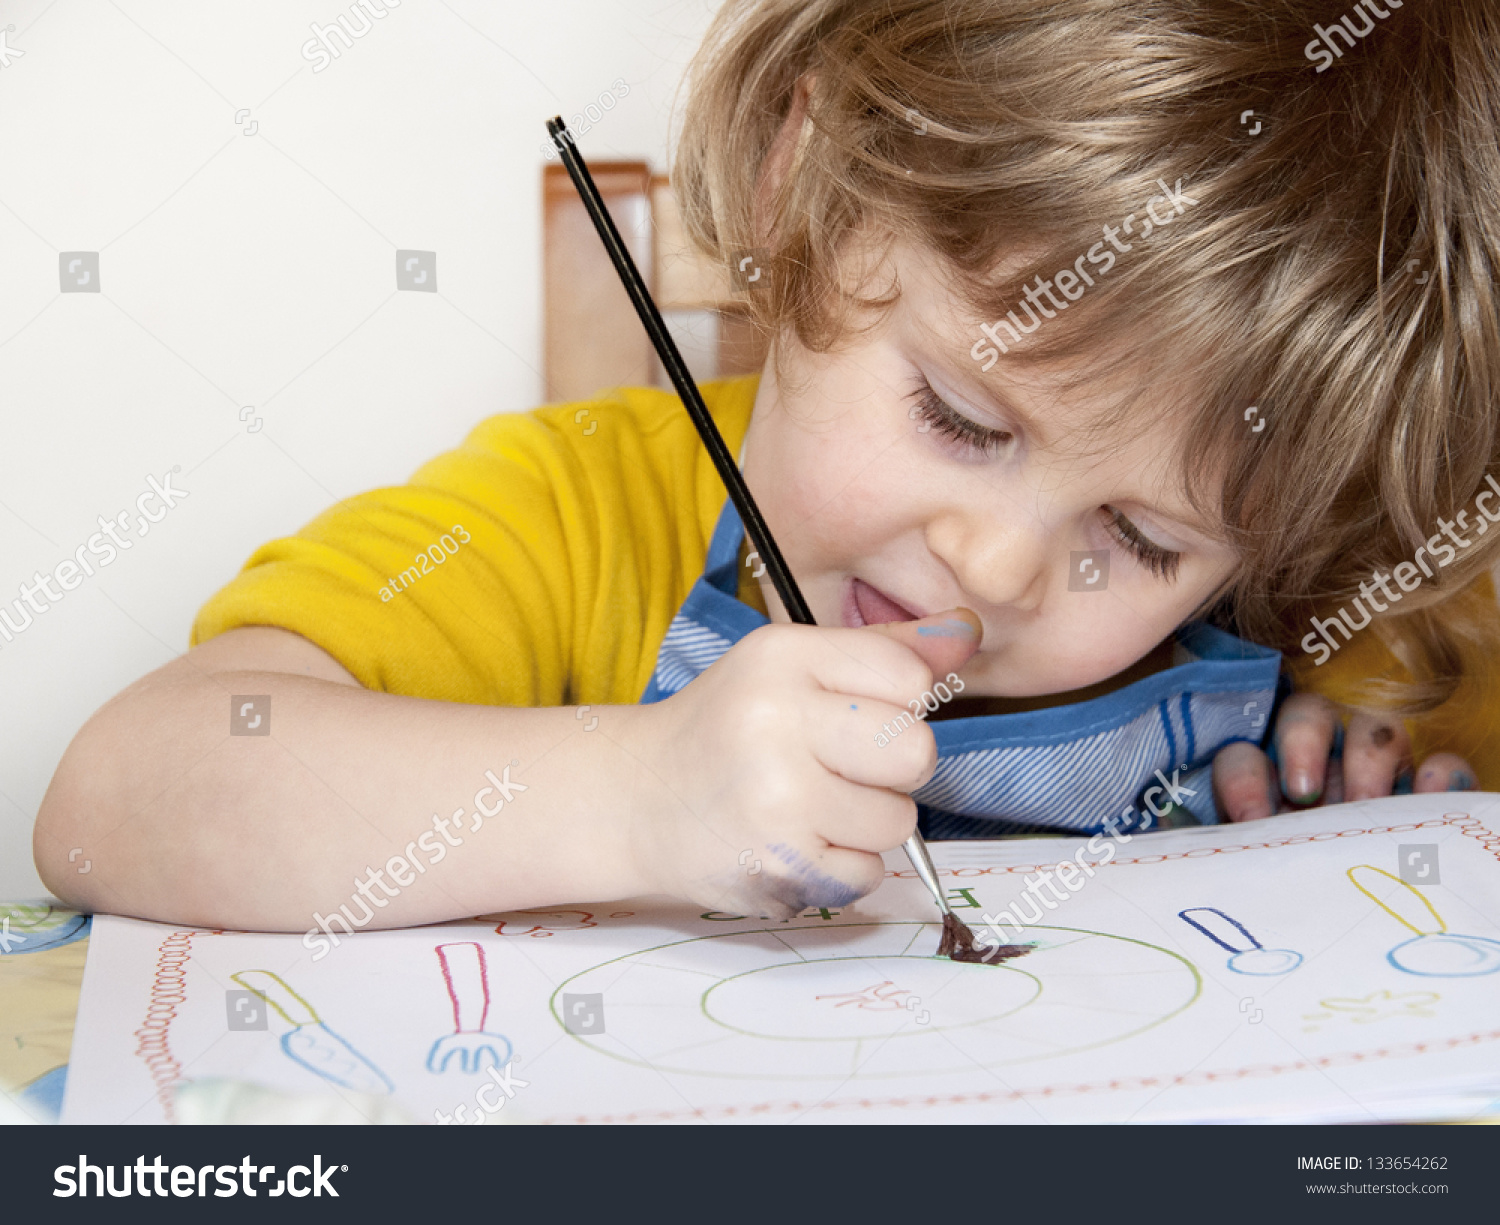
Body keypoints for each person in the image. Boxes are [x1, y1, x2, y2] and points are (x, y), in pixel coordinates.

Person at [34, 0, 1498, 937]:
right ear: (810, 183)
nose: (997, 570)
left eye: (1143, 537)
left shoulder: (1315, 630)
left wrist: (1350, 822)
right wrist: (637, 793)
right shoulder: (581, 514)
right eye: (960, 418)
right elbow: (119, 796)